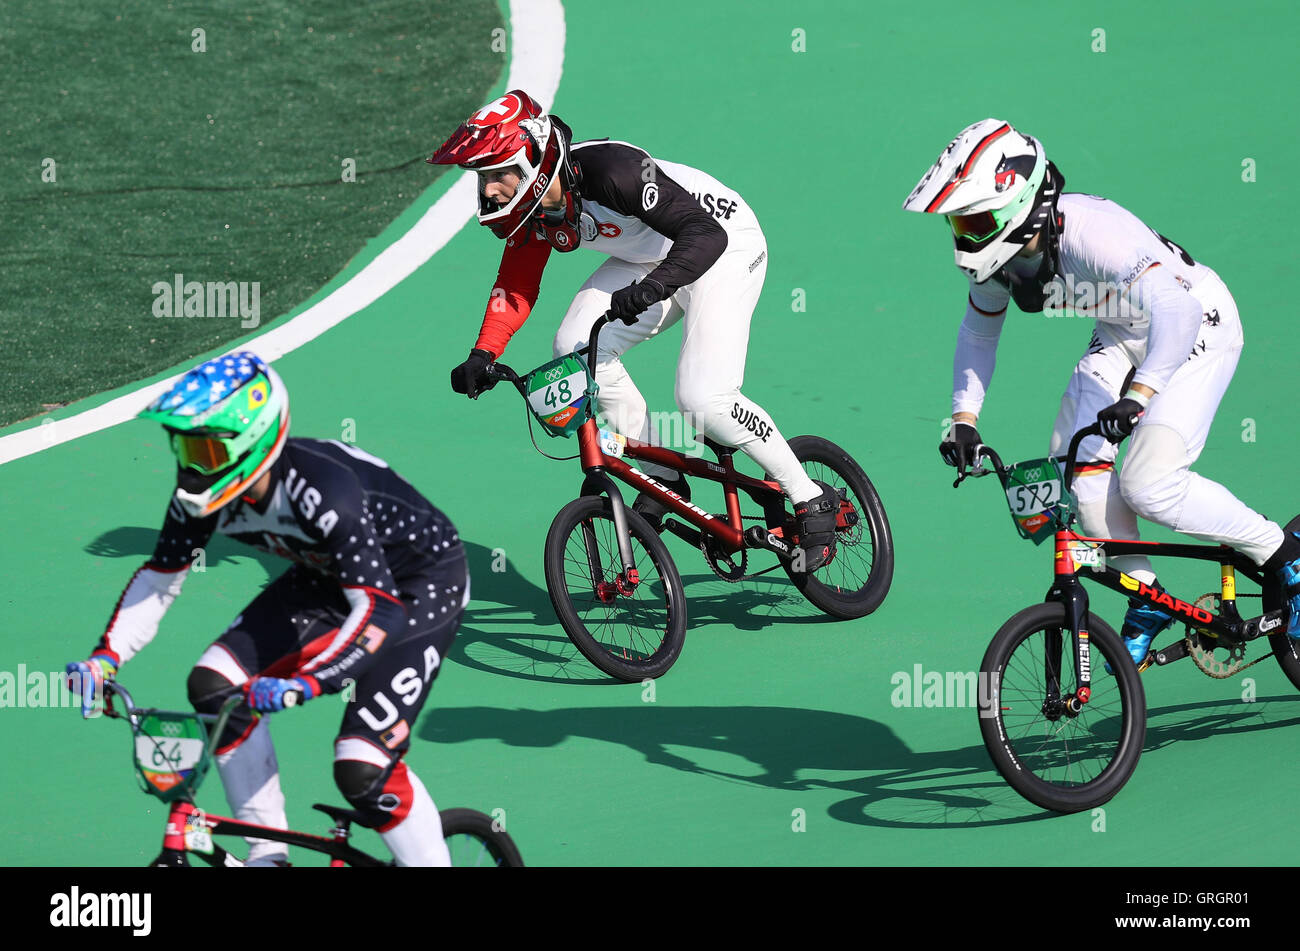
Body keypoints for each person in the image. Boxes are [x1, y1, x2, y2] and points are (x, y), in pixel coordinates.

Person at [904, 118, 1300, 667]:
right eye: (958, 222)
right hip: (1121, 332)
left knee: (1147, 484)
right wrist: (964, 418)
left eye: (972, 220)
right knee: (1081, 489)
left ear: (1017, 206)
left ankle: (1283, 554)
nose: (964, 235)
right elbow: (978, 333)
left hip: (1196, 325)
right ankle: (1149, 599)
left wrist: (1139, 396)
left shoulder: (1097, 235)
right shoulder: (1000, 257)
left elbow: (1177, 313)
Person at [66, 352, 466, 866]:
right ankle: (267, 854)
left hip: (416, 586)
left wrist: (309, 682)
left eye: (206, 449)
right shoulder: (204, 494)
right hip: (330, 580)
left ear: (251, 442)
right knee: (213, 685)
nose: (191, 467)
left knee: (362, 767)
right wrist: (106, 659)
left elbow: (379, 611)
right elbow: (162, 575)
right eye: (185, 447)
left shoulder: (323, 493)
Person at [426, 90, 840, 570]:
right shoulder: (536, 207)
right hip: (652, 258)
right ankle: (662, 475)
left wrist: (653, 288)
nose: (490, 189)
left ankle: (810, 496)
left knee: (703, 399)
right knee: (574, 350)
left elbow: (707, 236)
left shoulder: (614, 171)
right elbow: (515, 285)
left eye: (498, 174)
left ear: (535, 157)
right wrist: (484, 352)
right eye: (483, 178)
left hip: (724, 247)